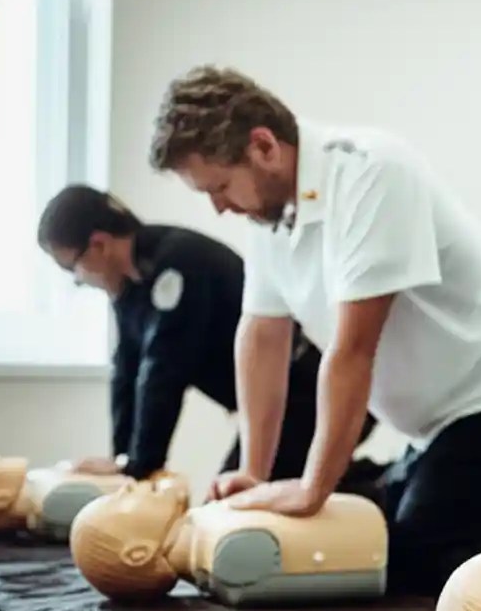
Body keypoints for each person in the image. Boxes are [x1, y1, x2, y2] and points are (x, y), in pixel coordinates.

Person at [145, 65, 481, 594]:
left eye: (218, 188)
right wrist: (255, 474)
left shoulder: (370, 170)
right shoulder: (268, 214)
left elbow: (353, 350)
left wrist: (312, 487)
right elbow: (263, 338)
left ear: (263, 146)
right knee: (376, 532)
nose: (219, 208)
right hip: (436, 423)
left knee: (424, 560)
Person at [37, 185, 376, 483]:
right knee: (238, 505)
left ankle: (379, 488)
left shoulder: (178, 264)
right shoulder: (131, 287)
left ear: (98, 245)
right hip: (278, 411)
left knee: (231, 512)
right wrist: (122, 459)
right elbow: (127, 373)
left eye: (72, 269)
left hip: (308, 403)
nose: (79, 280)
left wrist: (140, 467)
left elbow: (163, 372)